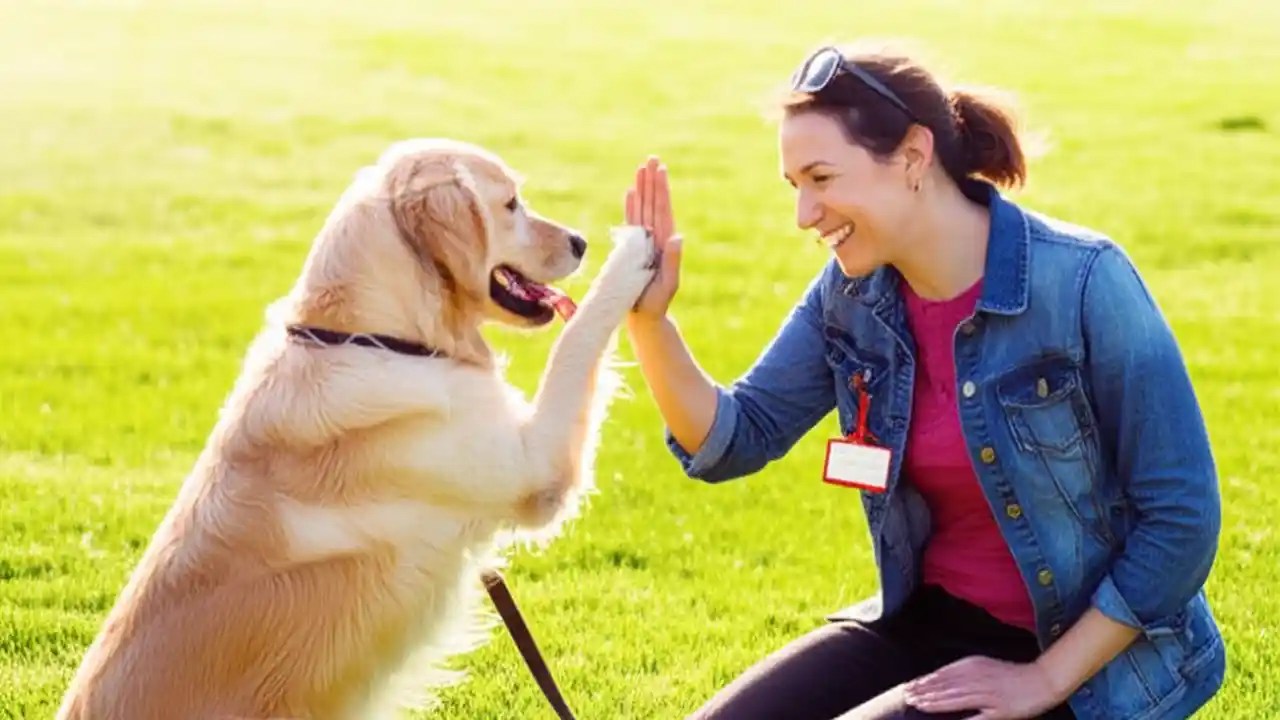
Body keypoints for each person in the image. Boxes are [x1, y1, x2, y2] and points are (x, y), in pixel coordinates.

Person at [621, 41, 1225, 720]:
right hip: (927, 625)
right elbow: (736, 437)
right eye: (795, 187)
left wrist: (1043, 681)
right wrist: (650, 324)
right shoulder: (851, 298)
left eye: (822, 179)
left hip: (1086, 663)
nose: (804, 215)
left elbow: (1183, 521)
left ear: (912, 156)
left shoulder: (1084, 283)